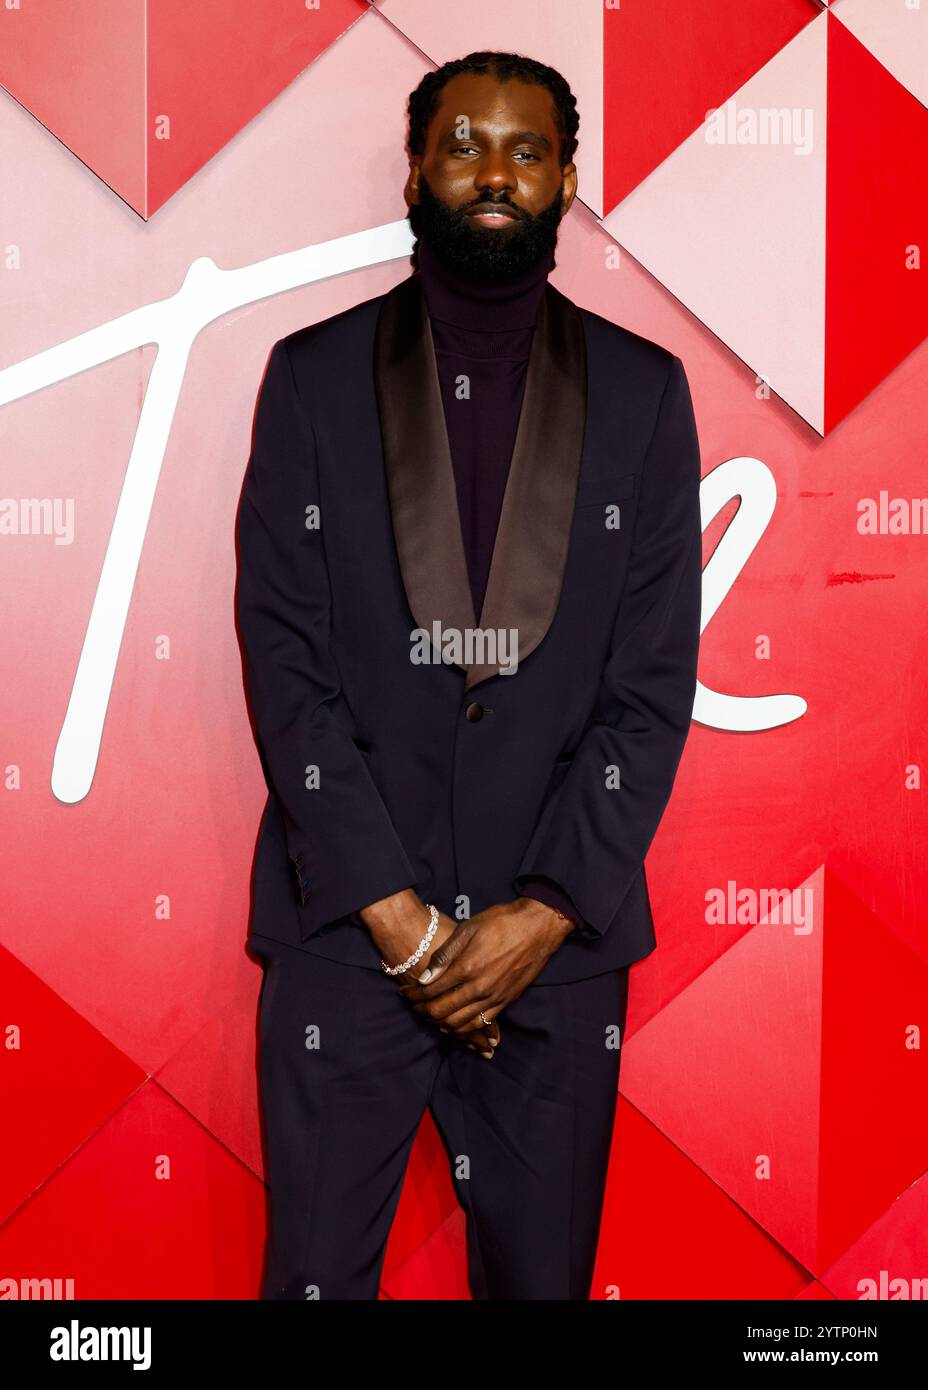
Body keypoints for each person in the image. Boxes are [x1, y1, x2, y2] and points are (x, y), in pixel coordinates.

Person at [235, 49, 703, 1300]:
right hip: (347, 929)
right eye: (464, 143)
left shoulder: (648, 397)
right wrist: (399, 919)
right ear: (416, 165)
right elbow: (281, 654)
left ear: (565, 179)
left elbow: (650, 687)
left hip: (556, 954)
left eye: (527, 149)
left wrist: (538, 917)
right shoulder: (311, 377)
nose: (494, 173)